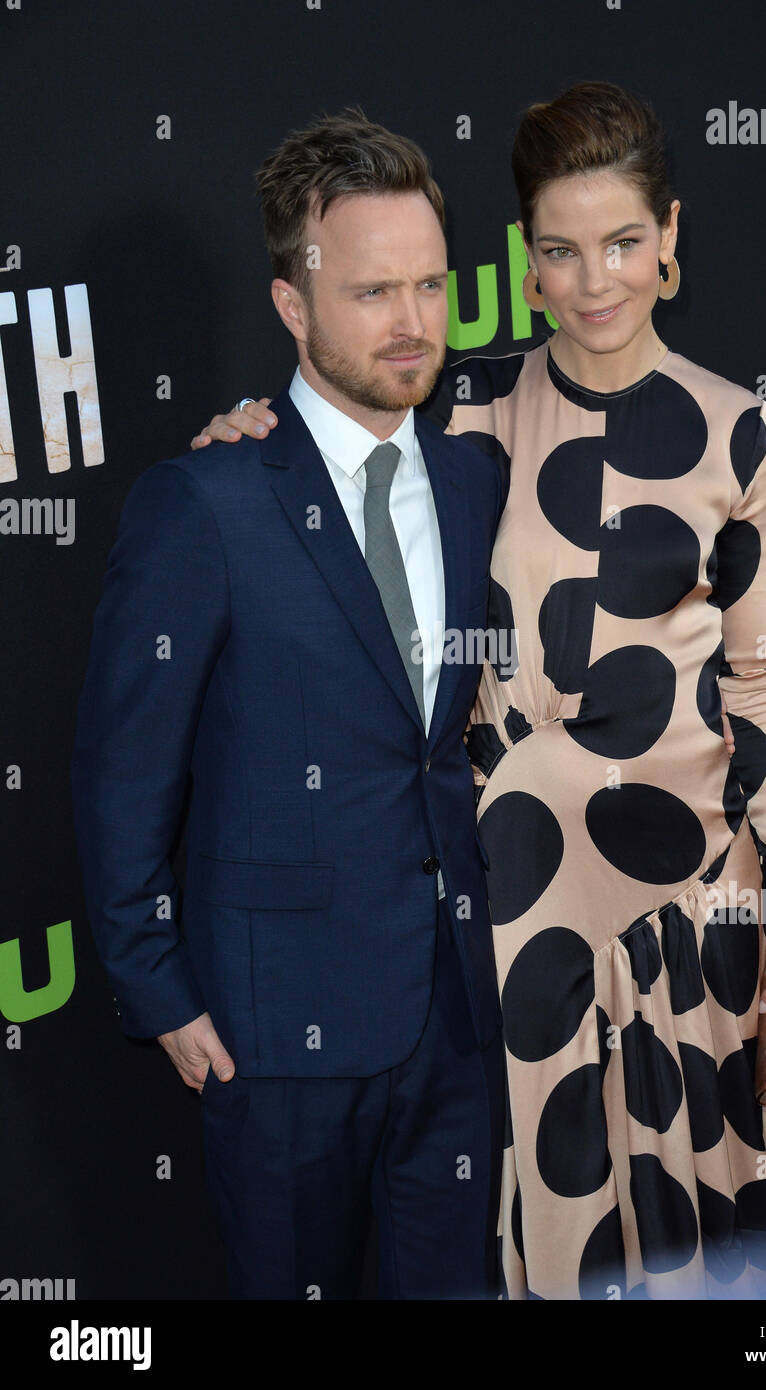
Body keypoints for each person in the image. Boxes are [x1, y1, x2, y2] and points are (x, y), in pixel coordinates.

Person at [192, 82, 766, 1300]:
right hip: (522, 908)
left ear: (670, 240)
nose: (595, 281)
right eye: (559, 250)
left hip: (698, 901)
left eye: (621, 243)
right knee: (554, 1229)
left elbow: (755, 683)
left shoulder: (739, 432)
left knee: (704, 1226)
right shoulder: (467, 407)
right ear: (528, 266)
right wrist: (249, 429)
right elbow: (326, 440)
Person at [70, 111, 507, 1300]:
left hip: (460, 1021)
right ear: (291, 305)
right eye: (374, 293)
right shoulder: (205, 501)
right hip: (274, 1036)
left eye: (429, 284)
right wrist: (156, 987)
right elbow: (122, 770)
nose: (414, 322)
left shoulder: (476, 477)